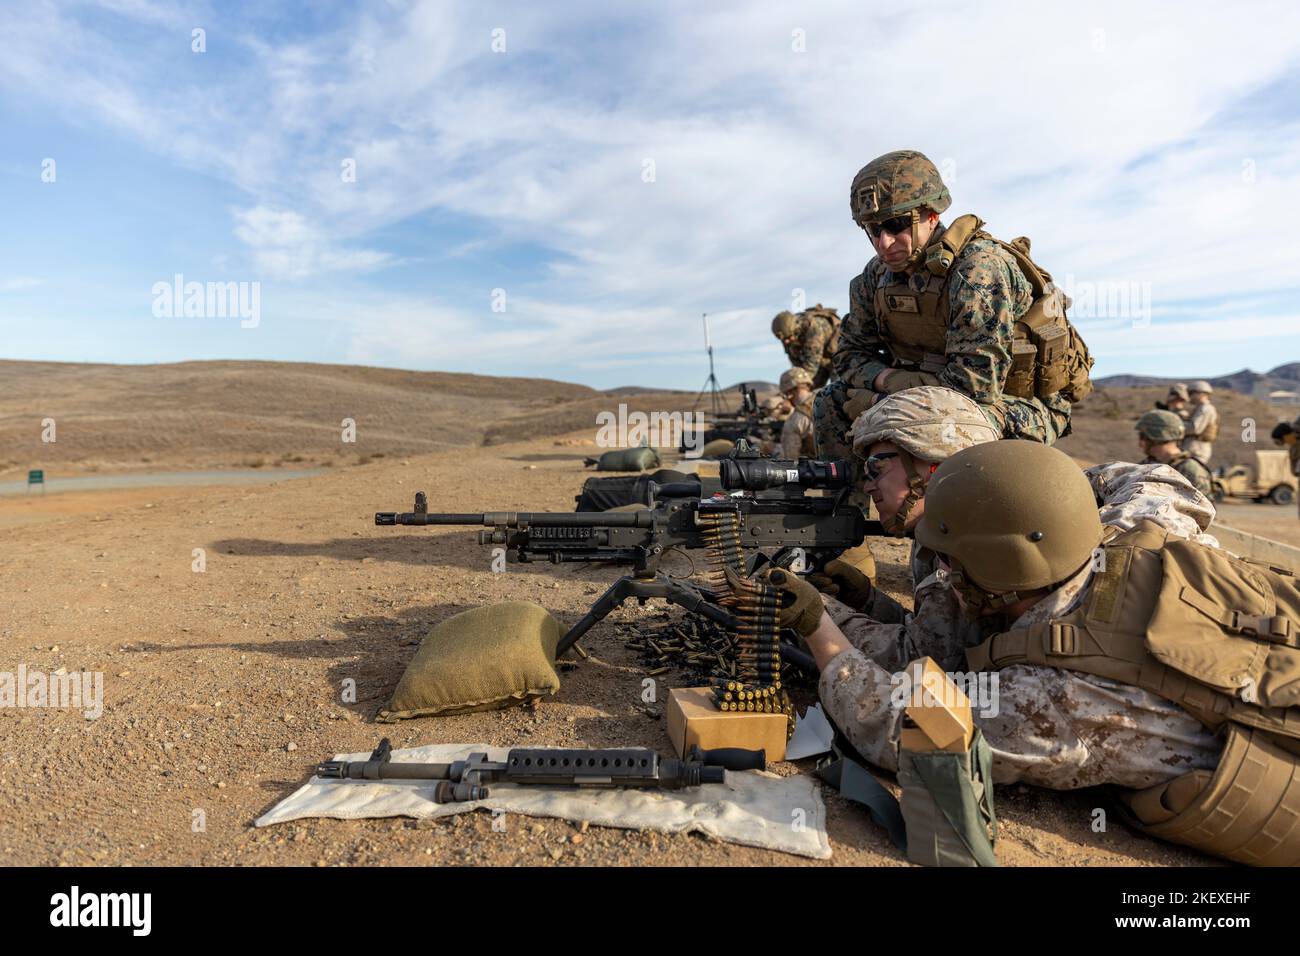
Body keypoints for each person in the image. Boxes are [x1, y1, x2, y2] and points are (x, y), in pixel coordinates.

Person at [764, 440, 1299, 866]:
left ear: (994, 573)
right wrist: (1021, 482)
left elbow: (891, 724)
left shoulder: (1055, 696)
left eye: (949, 565)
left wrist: (820, 627)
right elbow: (1156, 478)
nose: (941, 577)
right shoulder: (1135, 532)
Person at [813, 386, 1217, 685]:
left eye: (876, 468)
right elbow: (941, 640)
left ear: (930, 464)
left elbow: (920, 663)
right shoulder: (936, 541)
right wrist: (864, 600)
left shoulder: (1001, 528)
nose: (868, 487)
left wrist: (1079, 537)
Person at [813, 149, 1091, 463]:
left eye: (896, 225)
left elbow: (975, 386)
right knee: (830, 401)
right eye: (873, 230)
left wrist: (883, 394)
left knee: (935, 421)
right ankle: (848, 508)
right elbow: (849, 357)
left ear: (931, 215)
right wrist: (885, 390)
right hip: (928, 398)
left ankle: (950, 509)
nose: (883, 243)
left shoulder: (977, 269)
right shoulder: (873, 277)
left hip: (1014, 405)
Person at [1135, 409, 1212, 496]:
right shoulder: (1144, 466)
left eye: (1142, 436)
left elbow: (1204, 507)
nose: (1140, 443)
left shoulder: (1191, 472)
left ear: (1156, 436)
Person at [771, 306, 840, 389]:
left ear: (795, 329)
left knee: (838, 390)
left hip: (838, 358)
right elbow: (796, 364)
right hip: (820, 361)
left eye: (788, 338)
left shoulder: (812, 327)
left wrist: (795, 383)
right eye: (783, 340)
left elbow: (811, 364)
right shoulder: (786, 334)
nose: (786, 342)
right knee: (808, 391)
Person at [778, 368, 817, 459]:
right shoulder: (827, 397)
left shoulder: (795, 420)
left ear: (789, 393)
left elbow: (790, 462)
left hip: (821, 470)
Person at [1182, 380, 1220, 464]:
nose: (1189, 396)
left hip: (1197, 450)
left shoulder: (1205, 409)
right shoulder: (1199, 408)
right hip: (1193, 449)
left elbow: (1194, 428)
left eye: (1191, 393)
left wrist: (1176, 424)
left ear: (1200, 393)